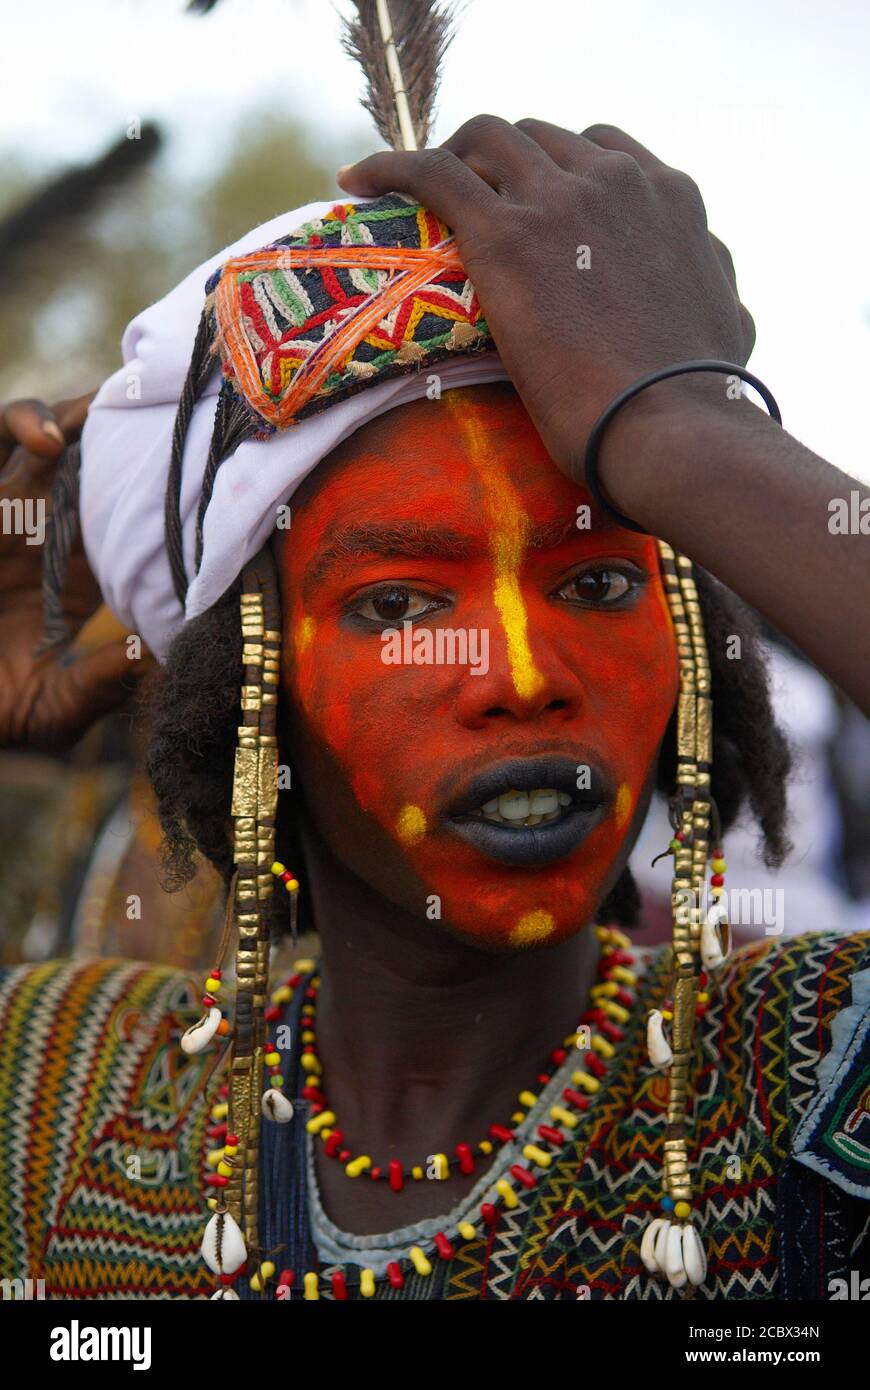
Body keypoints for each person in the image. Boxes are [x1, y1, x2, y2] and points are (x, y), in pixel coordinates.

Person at [0, 112, 868, 1301]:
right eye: (398, 600)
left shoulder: (798, 1069)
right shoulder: (59, 1084)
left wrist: (683, 424)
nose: (519, 674)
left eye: (601, 582)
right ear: (247, 681)